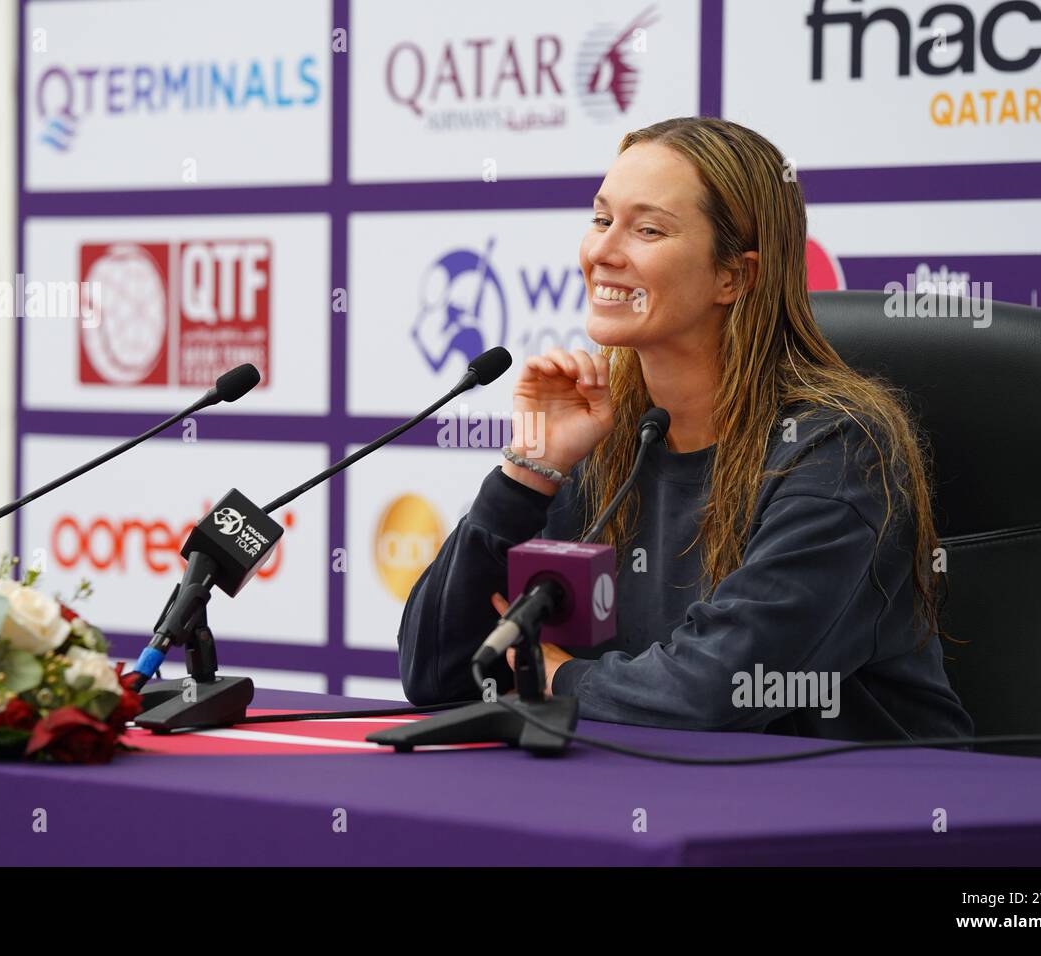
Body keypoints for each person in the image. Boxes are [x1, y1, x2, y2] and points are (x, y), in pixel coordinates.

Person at [395, 116, 974, 742]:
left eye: (647, 229)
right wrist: (526, 472)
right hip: (660, 801)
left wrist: (562, 680)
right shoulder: (603, 438)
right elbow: (437, 673)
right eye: (600, 219)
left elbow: (716, 689)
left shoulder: (838, 453)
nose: (603, 252)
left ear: (735, 276)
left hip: (864, 817)